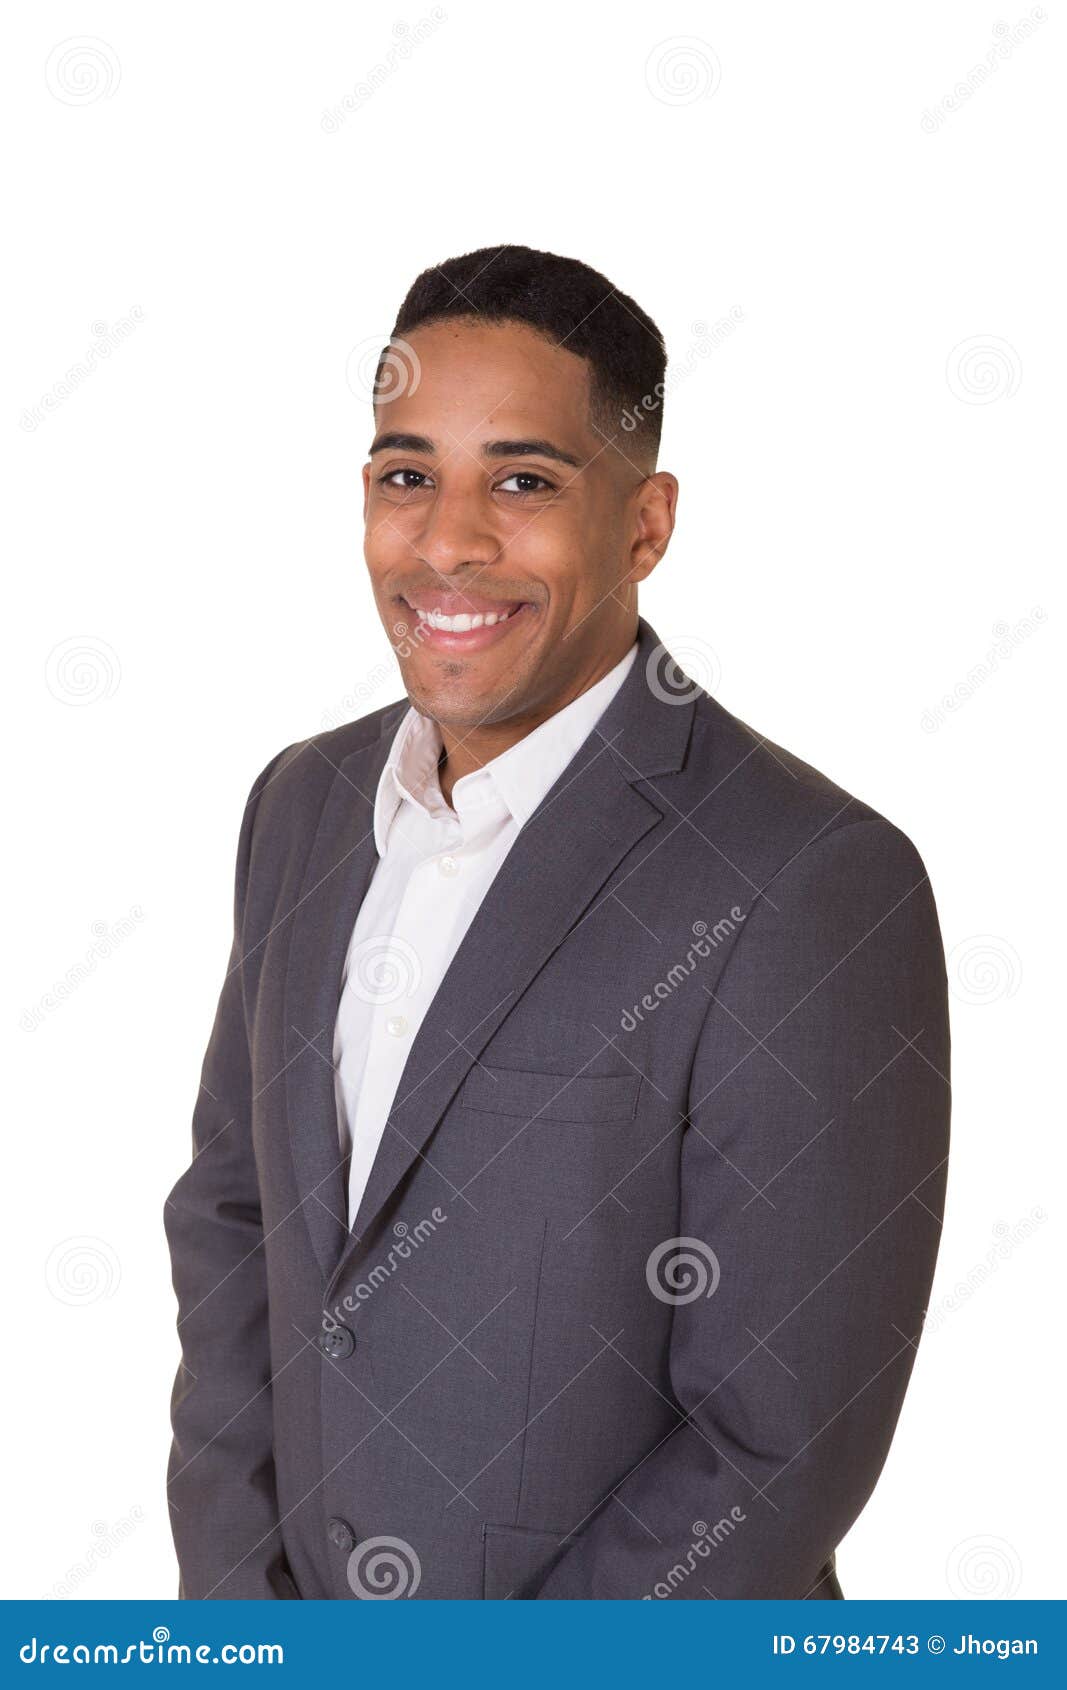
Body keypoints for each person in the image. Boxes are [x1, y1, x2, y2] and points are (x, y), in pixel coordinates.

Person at [165, 245, 950, 1600]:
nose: (449, 539)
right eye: (408, 475)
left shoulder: (810, 878)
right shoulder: (300, 804)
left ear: (644, 525)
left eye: (522, 481)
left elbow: (778, 1441)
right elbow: (237, 1226)